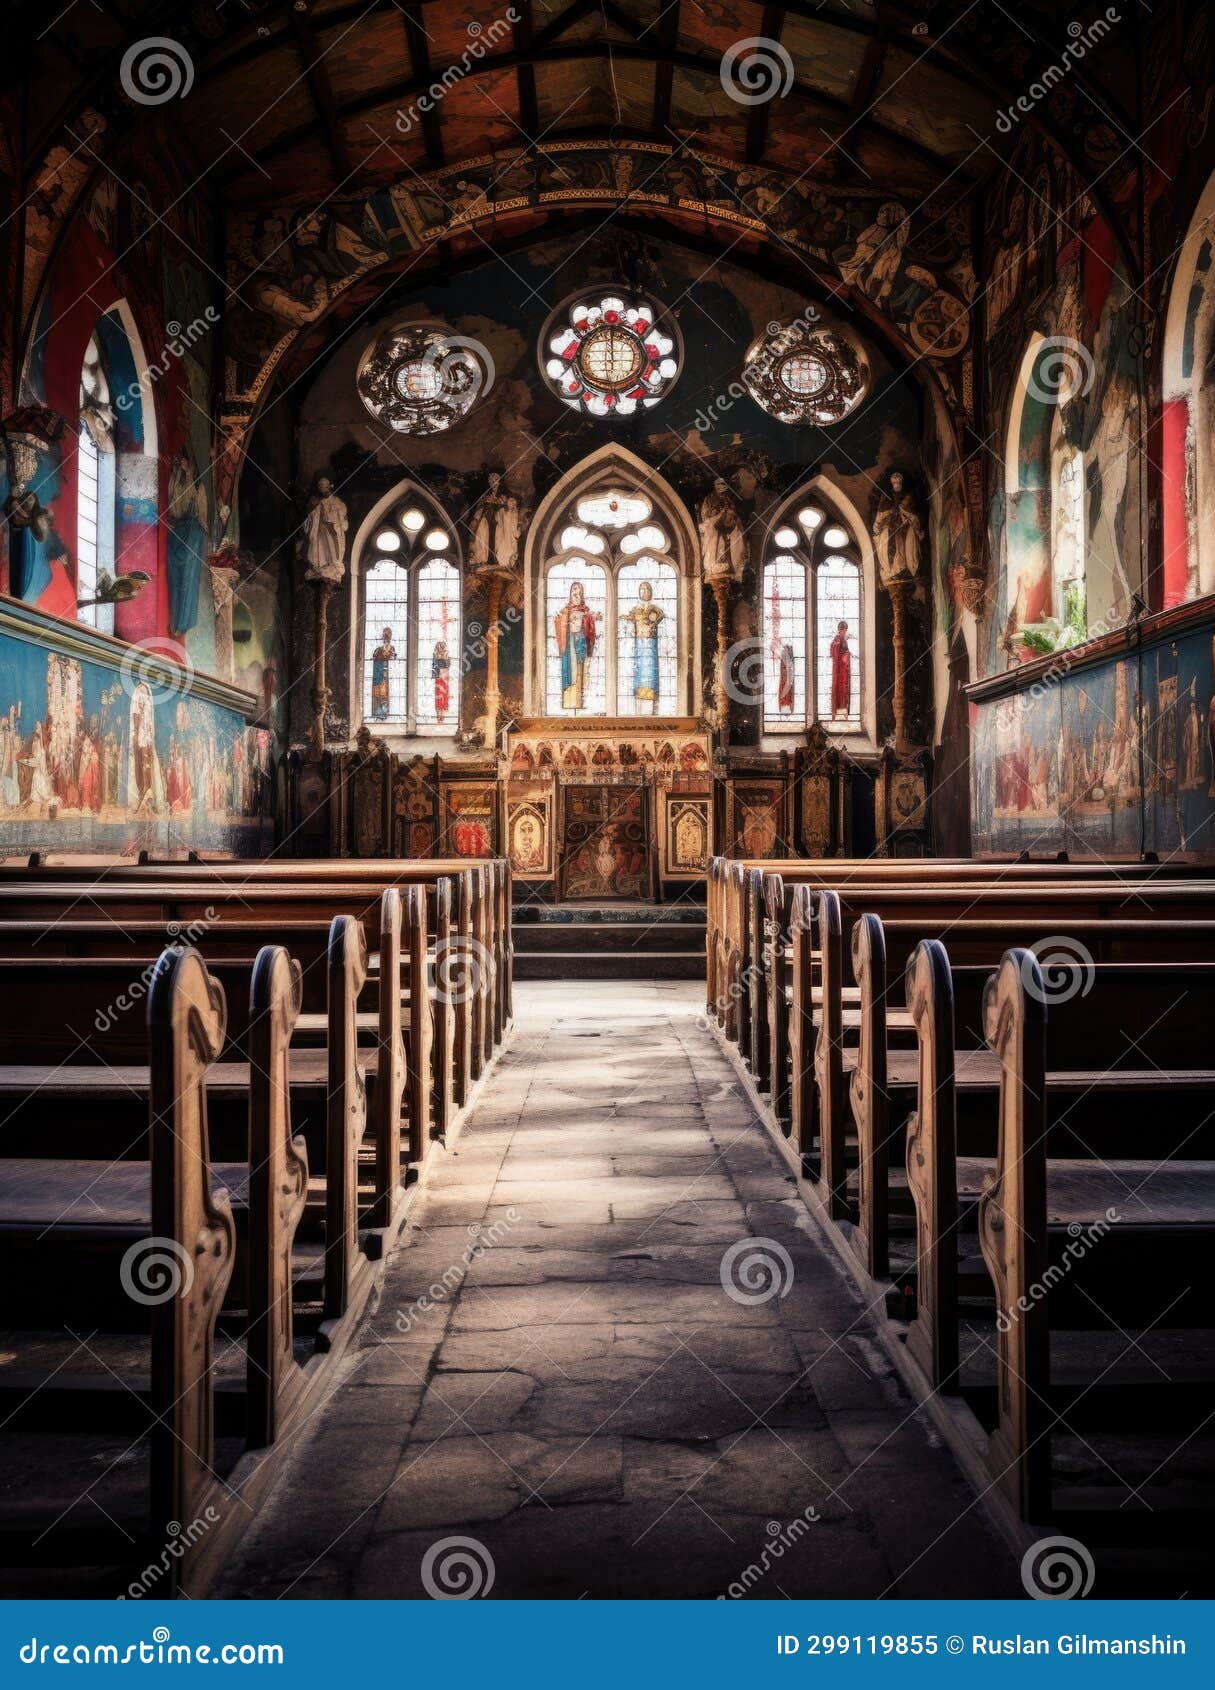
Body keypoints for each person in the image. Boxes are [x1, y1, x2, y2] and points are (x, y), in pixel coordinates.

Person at [553, 581, 599, 710]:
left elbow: (590, 626)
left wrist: (591, 618)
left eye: (579, 593)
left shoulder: (586, 611)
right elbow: (558, 622)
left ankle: (579, 703)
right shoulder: (565, 611)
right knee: (569, 672)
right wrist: (559, 619)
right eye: (574, 593)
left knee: (579, 672)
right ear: (570, 595)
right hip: (569, 646)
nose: (576, 596)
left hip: (580, 645)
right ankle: (568, 703)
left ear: (582, 595)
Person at [622, 580, 665, 711]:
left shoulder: (656, 610)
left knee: (651, 673)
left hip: (651, 644)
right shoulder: (635, 610)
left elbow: (660, 617)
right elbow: (629, 619)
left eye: (647, 589)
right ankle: (639, 702)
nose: (645, 591)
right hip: (639, 644)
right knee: (640, 672)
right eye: (642, 589)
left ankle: (652, 703)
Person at [371, 627, 395, 719]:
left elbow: (392, 657)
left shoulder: (391, 648)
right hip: (379, 675)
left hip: (387, 676)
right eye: (385, 635)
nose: (386, 637)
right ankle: (378, 714)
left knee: (384, 694)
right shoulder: (378, 649)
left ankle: (384, 713)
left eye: (388, 635)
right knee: (378, 694)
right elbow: (375, 657)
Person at [829, 621, 851, 719]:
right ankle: (838, 710)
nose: (845, 632)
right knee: (838, 689)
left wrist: (847, 654)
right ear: (840, 630)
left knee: (844, 690)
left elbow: (845, 652)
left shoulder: (843, 639)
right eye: (844, 630)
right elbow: (834, 653)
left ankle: (843, 709)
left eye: (845, 630)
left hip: (844, 670)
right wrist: (845, 656)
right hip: (839, 670)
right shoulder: (837, 640)